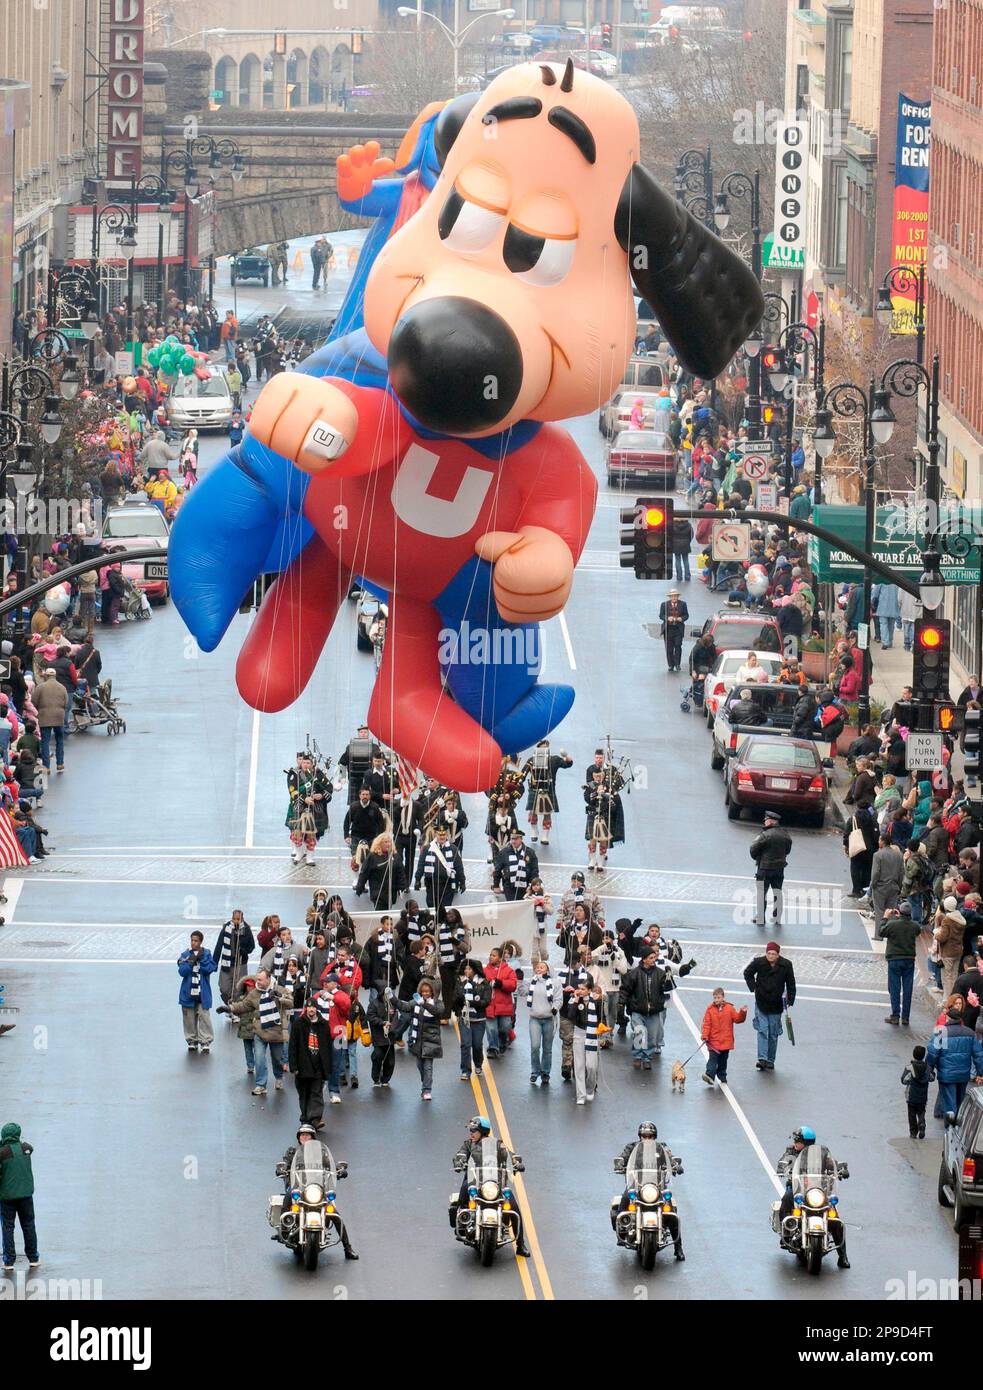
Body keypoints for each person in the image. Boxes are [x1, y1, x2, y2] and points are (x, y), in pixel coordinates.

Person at [449, 1117, 530, 1257]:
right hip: (474, 1181)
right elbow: (460, 1154)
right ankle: (464, 1220)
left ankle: (520, 1244)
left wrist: (516, 1163)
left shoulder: (497, 1144)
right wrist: (459, 1162)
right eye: (470, 1130)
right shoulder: (468, 1144)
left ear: (482, 1131)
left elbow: (510, 1155)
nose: (471, 1133)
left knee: (514, 1207)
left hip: (494, 1184)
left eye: (474, 1130)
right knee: (463, 1191)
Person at [275, 1126, 358, 1258]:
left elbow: (331, 1165)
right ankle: (284, 1228)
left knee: (335, 1215)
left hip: (318, 1189)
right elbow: (285, 1163)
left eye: (308, 1135)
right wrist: (282, 1169)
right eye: (302, 1135)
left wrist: (339, 1170)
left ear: (313, 1137)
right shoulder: (292, 1152)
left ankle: (347, 1248)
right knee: (288, 1197)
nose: (305, 1137)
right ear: (298, 1137)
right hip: (299, 1187)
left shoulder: (321, 1153)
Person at [775, 1128, 850, 1268]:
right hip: (799, 1190)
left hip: (819, 1191)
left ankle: (843, 1256)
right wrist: (783, 1168)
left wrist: (841, 1169)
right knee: (786, 1198)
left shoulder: (821, 1154)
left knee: (834, 1218)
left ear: (805, 1142)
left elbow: (832, 1163)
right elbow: (784, 1160)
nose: (795, 1143)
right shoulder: (791, 1151)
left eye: (797, 1140)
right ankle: (785, 1234)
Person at [612, 1123, 684, 1260]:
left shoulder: (662, 1147)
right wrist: (620, 1163)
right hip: (638, 1185)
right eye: (644, 1136)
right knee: (625, 1198)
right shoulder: (632, 1147)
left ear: (654, 1136)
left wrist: (676, 1165)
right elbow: (624, 1157)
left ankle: (678, 1247)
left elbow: (670, 1157)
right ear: (640, 1136)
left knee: (671, 1212)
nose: (647, 1138)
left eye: (649, 1136)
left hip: (657, 1186)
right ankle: (622, 1231)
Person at [620, 944, 680, 1070]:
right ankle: (637, 1056)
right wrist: (622, 1003)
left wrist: (668, 979)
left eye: (654, 957)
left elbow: (668, 988)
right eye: (651, 958)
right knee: (639, 1033)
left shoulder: (660, 973)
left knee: (652, 1036)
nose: (654, 960)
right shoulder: (634, 974)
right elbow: (626, 990)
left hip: (654, 1011)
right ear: (644, 959)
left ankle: (647, 1057)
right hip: (638, 1010)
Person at [743, 941, 796, 1071]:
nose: (771, 956)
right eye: (769, 953)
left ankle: (770, 1060)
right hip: (761, 1002)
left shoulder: (786, 965)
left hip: (776, 1005)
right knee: (762, 1030)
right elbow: (747, 973)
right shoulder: (758, 962)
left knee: (773, 1033)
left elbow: (791, 983)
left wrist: (790, 999)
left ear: (778, 955)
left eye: (774, 954)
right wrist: (753, 987)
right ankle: (762, 1059)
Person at [926, 1005, 983, 1120]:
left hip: (946, 1075)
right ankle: (957, 1126)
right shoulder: (969, 1033)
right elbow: (978, 1055)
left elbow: (933, 1054)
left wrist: (929, 1069)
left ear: (948, 1018)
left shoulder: (941, 1033)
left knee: (949, 1105)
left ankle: (951, 1130)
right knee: (959, 1102)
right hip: (963, 1075)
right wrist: (980, 1072)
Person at [0, 1122, 38, 1273]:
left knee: (8, 1227)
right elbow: (29, 1147)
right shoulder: (26, 1149)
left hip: (7, 1197)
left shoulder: (2, 1153)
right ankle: (33, 1258)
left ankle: (9, 1261)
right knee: (28, 1225)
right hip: (26, 1196)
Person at [287, 1001, 332, 1130]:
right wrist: (293, 1066)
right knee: (304, 1094)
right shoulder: (298, 1024)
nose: (311, 1009)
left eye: (313, 1007)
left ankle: (316, 1118)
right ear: (306, 1008)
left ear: (316, 1009)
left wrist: (328, 1067)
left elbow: (328, 1047)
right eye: (309, 1007)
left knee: (316, 1093)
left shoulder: (324, 1025)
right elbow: (293, 1046)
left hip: (318, 1065)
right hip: (303, 1066)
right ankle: (306, 1119)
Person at [395, 977, 442, 1100]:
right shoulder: (416, 1001)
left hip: (431, 1040)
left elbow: (438, 1012)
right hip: (417, 1040)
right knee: (420, 1065)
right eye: (423, 991)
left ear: (432, 992)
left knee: (428, 1066)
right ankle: (425, 1081)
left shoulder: (437, 1002)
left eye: (427, 991)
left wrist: (424, 1004)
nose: (425, 994)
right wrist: (391, 998)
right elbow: (403, 1006)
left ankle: (427, 1090)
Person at [521, 739, 573, 844]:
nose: (544, 749)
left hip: (548, 789)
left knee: (547, 813)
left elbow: (569, 764)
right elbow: (522, 775)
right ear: (537, 748)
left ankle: (545, 836)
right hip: (534, 789)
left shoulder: (554, 760)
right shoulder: (531, 760)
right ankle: (534, 830)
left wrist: (566, 755)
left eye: (546, 747)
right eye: (542, 747)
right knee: (532, 812)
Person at [286, 750, 331, 866]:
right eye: (304, 762)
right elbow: (292, 791)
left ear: (312, 764)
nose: (306, 765)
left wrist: (320, 795)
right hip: (299, 807)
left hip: (314, 808)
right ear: (301, 763)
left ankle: (310, 857)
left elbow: (328, 787)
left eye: (308, 763)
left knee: (311, 834)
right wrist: (304, 798)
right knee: (297, 833)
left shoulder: (317, 773)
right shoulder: (294, 773)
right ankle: (299, 853)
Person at [749, 810, 792, 928]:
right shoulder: (785, 834)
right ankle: (777, 916)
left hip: (764, 868)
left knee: (761, 893)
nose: (765, 822)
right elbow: (787, 850)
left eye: (766, 820)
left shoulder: (764, 835)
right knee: (778, 892)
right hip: (779, 868)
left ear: (771, 821)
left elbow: (753, 850)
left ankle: (761, 917)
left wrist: (758, 857)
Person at [177, 930, 217, 1053]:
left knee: (204, 1017)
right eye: (192, 940)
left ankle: (205, 1041)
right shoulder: (185, 955)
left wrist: (201, 961)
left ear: (200, 942)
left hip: (202, 993)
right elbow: (182, 972)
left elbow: (211, 968)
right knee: (189, 1018)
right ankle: (191, 1040)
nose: (193, 943)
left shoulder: (207, 954)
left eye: (196, 941)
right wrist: (191, 961)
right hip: (188, 993)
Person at [880, 904, 920, 1026]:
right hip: (909, 959)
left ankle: (895, 1015)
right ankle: (905, 1017)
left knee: (895, 988)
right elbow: (917, 931)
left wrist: (885, 917)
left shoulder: (892, 925)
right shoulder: (915, 926)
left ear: (900, 912)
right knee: (908, 989)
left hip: (895, 959)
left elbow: (881, 931)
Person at [453, 958, 492, 1080]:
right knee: (465, 1044)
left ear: (475, 970)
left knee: (477, 1045)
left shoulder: (484, 983)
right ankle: (465, 1070)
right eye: (465, 968)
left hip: (479, 1019)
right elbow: (455, 999)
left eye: (469, 969)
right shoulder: (460, 982)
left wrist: (473, 994)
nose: (466, 971)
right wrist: (458, 1009)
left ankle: (478, 1064)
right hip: (465, 1019)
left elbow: (486, 1001)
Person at [700, 987, 747, 1086]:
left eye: (718, 997)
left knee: (723, 1061)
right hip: (713, 1041)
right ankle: (709, 1075)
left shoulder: (730, 1009)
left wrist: (743, 1012)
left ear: (723, 997)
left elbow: (738, 1019)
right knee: (712, 1059)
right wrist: (705, 1036)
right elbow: (706, 1024)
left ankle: (722, 1075)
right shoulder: (710, 1010)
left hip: (726, 1041)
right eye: (715, 998)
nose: (716, 1000)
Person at [568, 975, 604, 1103]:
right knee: (579, 1066)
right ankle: (581, 1095)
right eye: (579, 989)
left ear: (589, 990)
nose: (580, 991)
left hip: (592, 1034)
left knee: (591, 1066)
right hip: (579, 1033)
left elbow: (600, 1017)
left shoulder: (596, 1001)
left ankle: (590, 1089)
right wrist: (576, 1000)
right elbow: (571, 1016)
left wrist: (600, 1031)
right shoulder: (575, 1000)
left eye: (583, 989)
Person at [416, 825, 466, 914]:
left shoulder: (453, 849)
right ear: (435, 835)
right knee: (432, 907)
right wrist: (417, 879)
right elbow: (421, 864)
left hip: (447, 884)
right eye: (440, 835)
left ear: (446, 835)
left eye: (444, 835)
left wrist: (462, 881)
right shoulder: (428, 848)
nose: (442, 837)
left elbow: (458, 866)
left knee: (446, 908)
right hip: (431, 884)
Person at [584, 767, 625, 873]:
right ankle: (592, 860)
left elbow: (615, 804)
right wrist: (596, 793)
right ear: (593, 776)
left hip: (605, 816)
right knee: (592, 839)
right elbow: (587, 799)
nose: (598, 778)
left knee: (603, 840)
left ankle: (601, 862)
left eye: (600, 776)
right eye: (596, 776)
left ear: (603, 776)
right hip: (593, 815)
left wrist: (606, 796)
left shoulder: (610, 788)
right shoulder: (590, 786)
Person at [525, 959, 557, 1084]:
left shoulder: (554, 983)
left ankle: (545, 1072)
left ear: (548, 970)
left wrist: (555, 1008)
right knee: (535, 1046)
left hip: (549, 1019)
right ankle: (534, 1071)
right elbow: (522, 992)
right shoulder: (532, 982)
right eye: (537, 967)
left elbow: (558, 999)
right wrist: (523, 981)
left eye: (542, 967)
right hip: (535, 1019)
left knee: (547, 1048)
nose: (539, 969)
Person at [354, 830, 406, 909]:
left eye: (389, 842)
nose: (388, 844)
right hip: (377, 891)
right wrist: (359, 887)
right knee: (381, 912)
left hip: (391, 891)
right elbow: (364, 872)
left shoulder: (395, 856)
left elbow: (400, 871)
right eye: (385, 842)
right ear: (379, 843)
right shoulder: (372, 856)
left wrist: (402, 886)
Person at [213, 910, 254, 1006]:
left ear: (242, 919)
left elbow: (251, 946)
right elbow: (219, 945)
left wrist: (244, 950)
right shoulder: (226, 928)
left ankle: (235, 1009)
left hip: (240, 963)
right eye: (234, 919)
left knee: (238, 989)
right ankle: (229, 1003)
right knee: (224, 988)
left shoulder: (246, 929)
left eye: (238, 919)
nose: (236, 921)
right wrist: (214, 962)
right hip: (227, 963)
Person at [484, 947, 518, 1057]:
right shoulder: (485, 970)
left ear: (500, 958)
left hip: (504, 1006)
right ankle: (493, 1048)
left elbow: (513, 985)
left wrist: (501, 984)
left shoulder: (508, 970)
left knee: (504, 1027)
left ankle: (503, 1041)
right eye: (490, 955)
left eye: (494, 955)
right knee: (491, 1028)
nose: (491, 957)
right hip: (490, 1005)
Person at [869, 834, 904, 938]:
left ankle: (879, 935)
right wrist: (899, 885)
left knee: (879, 911)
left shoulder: (878, 855)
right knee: (891, 911)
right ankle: (891, 935)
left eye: (879, 840)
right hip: (894, 886)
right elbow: (902, 872)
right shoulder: (899, 855)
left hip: (880, 886)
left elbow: (875, 873)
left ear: (883, 841)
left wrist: (873, 885)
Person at [34, 668, 67, 774]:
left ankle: (46, 767)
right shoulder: (62, 687)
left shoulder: (40, 687)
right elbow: (66, 702)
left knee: (45, 742)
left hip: (45, 717)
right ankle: (60, 763)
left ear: (46, 676)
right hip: (58, 716)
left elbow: (34, 701)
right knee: (59, 740)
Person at [493, 827, 539, 900]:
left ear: (521, 839)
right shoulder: (504, 853)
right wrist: (496, 885)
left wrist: (532, 886)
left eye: (516, 839)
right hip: (509, 887)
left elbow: (534, 871)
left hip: (525, 888)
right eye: (512, 839)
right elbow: (497, 870)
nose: (513, 841)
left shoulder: (530, 852)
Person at [367, 987, 398, 1086]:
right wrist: (382, 1023)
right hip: (378, 1037)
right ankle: (376, 1078)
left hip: (390, 1038)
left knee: (390, 1061)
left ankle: (385, 1079)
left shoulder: (392, 1004)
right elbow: (370, 1017)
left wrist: (392, 1027)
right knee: (377, 1057)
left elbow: (396, 1017)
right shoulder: (374, 1004)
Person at [902, 1045, 930, 1139]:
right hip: (923, 1097)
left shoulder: (910, 1067)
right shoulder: (927, 1068)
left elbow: (904, 1080)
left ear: (914, 1055)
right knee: (921, 1112)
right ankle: (921, 1123)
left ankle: (913, 1132)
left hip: (911, 1096)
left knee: (912, 1115)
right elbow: (932, 1078)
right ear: (923, 1056)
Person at [659, 587, 689, 671]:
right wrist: (667, 618)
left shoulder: (683, 604)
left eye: (675, 596)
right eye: (672, 596)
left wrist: (681, 619)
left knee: (678, 646)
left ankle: (677, 664)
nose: (674, 597)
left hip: (678, 629)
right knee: (669, 648)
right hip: (668, 629)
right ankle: (671, 665)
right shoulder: (664, 604)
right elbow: (661, 615)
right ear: (670, 597)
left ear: (678, 596)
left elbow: (686, 615)